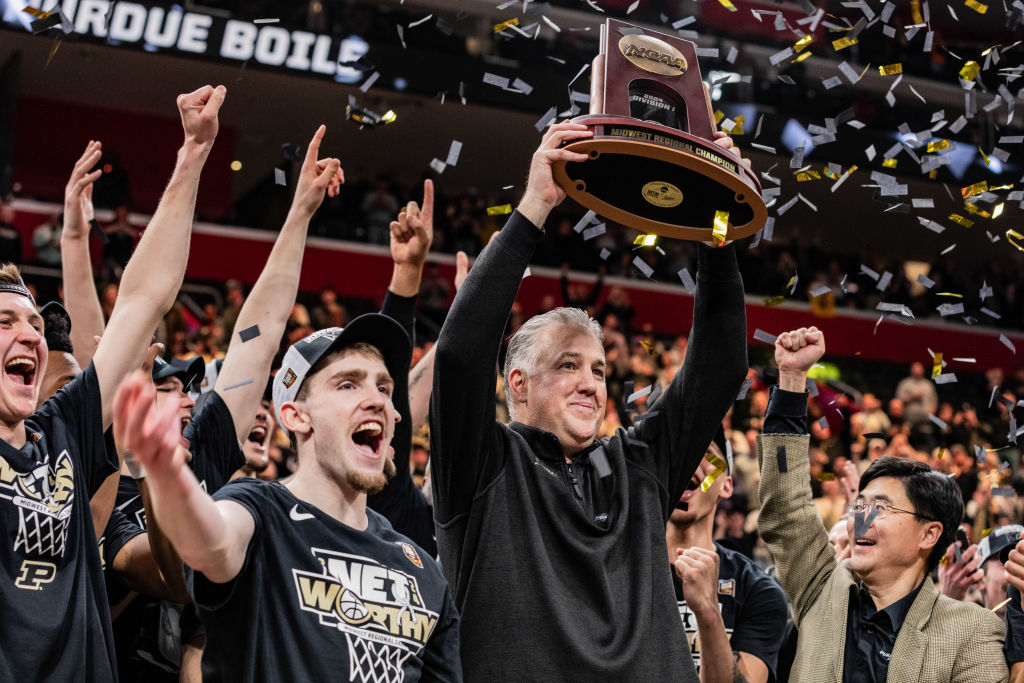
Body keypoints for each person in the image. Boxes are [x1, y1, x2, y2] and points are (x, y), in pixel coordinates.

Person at [429, 121, 749, 678]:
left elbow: (721, 364)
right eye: (568, 365)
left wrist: (715, 219)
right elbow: (459, 355)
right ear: (517, 383)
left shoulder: (640, 464)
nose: (591, 383)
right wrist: (535, 206)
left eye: (599, 370)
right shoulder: (482, 465)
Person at [0, 83, 227, 680]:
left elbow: (144, 297)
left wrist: (192, 157)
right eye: (5, 322)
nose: (30, 336)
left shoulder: (61, 431)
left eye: (34, 325)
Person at [115, 314, 462, 681]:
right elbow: (213, 540)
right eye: (348, 384)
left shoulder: (424, 573)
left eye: (385, 389)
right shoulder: (258, 510)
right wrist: (164, 472)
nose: (377, 400)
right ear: (296, 417)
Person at [756, 326, 1007, 682]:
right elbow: (786, 506)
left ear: (929, 534)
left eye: (881, 508)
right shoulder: (819, 588)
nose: (861, 520)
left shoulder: (971, 631)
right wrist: (793, 378)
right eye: (859, 506)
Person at [667, 428, 789, 682]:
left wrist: (708, 612)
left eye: (706, 454)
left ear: (726, 485)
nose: (689, 461)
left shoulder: (756, 589)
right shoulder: (618, 569)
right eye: (678, 451)